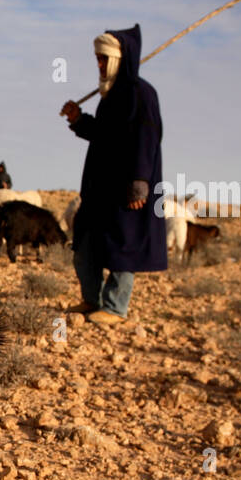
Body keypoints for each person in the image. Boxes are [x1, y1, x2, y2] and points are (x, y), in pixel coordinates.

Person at [60, 24, 165, 324]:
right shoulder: (111, 97)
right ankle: (91, 299)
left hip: (125, 188)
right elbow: (103, 136)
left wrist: (139, 184)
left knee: (124, 245)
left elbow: (147, 139)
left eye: (104, 58)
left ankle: (115, 308)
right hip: (99, 189)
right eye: (98, 58)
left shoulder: (141, 94)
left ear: (120, 59)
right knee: (86, 242)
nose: (99, 64)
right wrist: (78, 119)